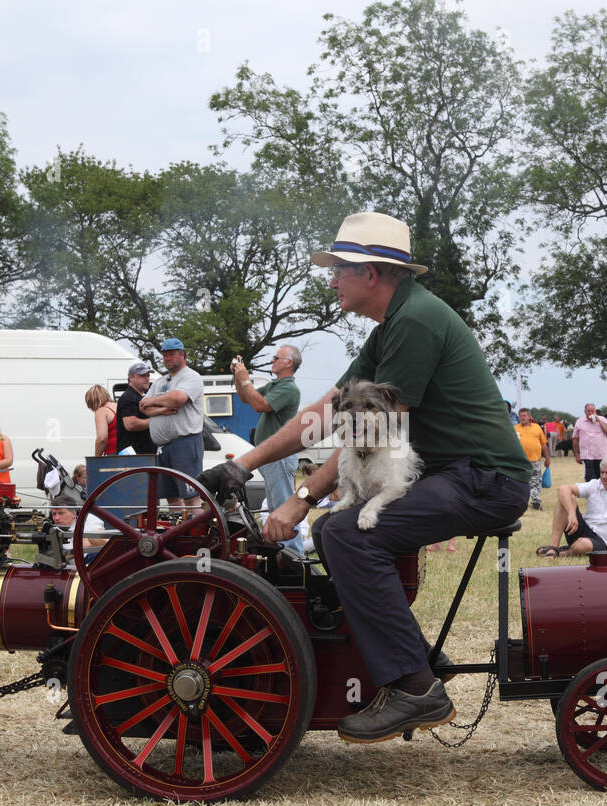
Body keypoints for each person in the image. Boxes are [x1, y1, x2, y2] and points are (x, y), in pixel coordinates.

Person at [198, 211, 529, 744]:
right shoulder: (394, 323)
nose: (331, 281)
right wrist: (244, 464)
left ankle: (416, 686)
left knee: (349, 533)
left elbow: (365, 436)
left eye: (338, 271)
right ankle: (416, 655)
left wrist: (301, 499)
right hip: (455, 473)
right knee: (334, 531)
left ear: (371, 274)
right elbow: (329, 410)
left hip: (486, 480)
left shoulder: (416, 322)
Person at [233, 345, 303, 554]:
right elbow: (247, 397)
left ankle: (294, 557)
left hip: (279, 456)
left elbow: (260, 405)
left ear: (289, 363)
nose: (272, 361)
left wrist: (245, 378)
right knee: (277, 508)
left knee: (284, 510)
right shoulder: (276, 384)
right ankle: (284, 554)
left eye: (276, 358)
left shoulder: (289, 388)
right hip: (273, 458)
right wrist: (239, 376)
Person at [536, 456, 607, 557]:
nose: (603, 476)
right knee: (565, 499)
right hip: (582, 530)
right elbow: (563, 489)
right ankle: (553, 548)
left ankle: (562, 553)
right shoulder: (595, 484)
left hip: (604, 542)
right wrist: (571, 513)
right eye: (602, 472)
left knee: (582, 545)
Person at [140, 337, 205, 510]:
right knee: (172, 497)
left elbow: (178, 398)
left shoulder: (192, 377)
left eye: (171, 354)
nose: (167, 358)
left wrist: (154, 401)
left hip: (185, 442)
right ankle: (178, 534)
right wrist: (162, 409)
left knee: (191, 495)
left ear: (182, 354)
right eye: (165, 355)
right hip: (163, 447)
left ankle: (194, 534)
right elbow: (143, 407)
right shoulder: (160, 381)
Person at [116, 362, 157, 456]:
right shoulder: (129, 397)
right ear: (131, 378)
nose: (147, 379)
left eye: (148, 375)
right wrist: (156, 421)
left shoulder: (138, 397)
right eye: (142, 375)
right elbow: (130, 424)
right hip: (133, 456)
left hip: (141, 455)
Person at [514, 407, 550, 510]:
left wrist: (547, 458)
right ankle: (520, 501)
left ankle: (535, 501)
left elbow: (544, 445)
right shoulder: (515, 428)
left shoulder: (537, 427)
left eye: (524, 415)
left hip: (535, 460)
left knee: (535, 481)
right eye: (520, 416)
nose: (522, 418)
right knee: (520, 481)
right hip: (520, 461)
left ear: (529, 417)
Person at [571, 403, 607, 480]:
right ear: (585, 412)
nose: (591, 413)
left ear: (595, 411)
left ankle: (601, 491)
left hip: (601, 454)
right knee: (590, 477)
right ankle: (590, 491)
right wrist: (576, 454)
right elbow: (575, 439)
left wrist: (599, 421)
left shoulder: (602, 419)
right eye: (588, 411)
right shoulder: (580, 421)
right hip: (587, 455)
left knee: (601, 477)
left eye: (592, 411)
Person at [85, 384, 118, 456]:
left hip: (114, 455)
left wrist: (96, 458)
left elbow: (102, 438)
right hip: (127, 452)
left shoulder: (101, 411)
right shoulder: (117, 405)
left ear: (91, 401)